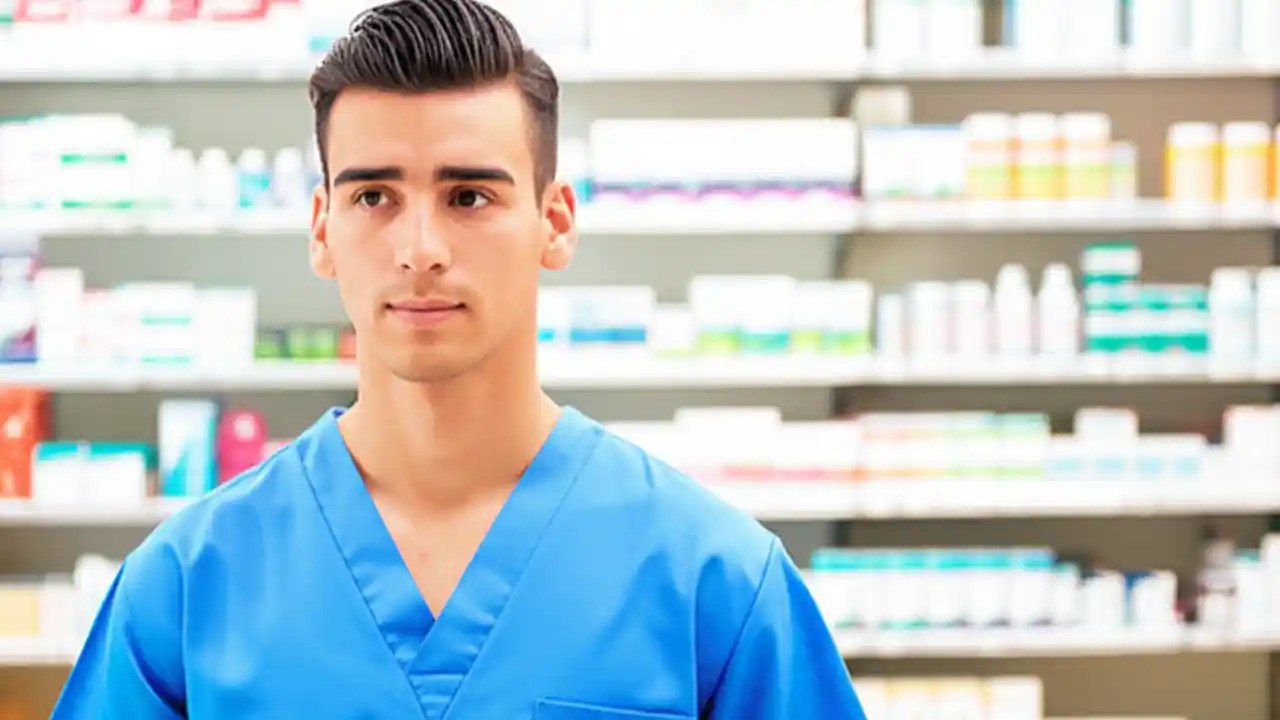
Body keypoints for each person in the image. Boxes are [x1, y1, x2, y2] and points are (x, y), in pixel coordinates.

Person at [51, 1, 867, 717]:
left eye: (468, 196)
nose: (420, 249)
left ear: (555, 222)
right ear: (321, 228)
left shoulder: (713, 582)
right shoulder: (187, 588)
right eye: (373, 196)